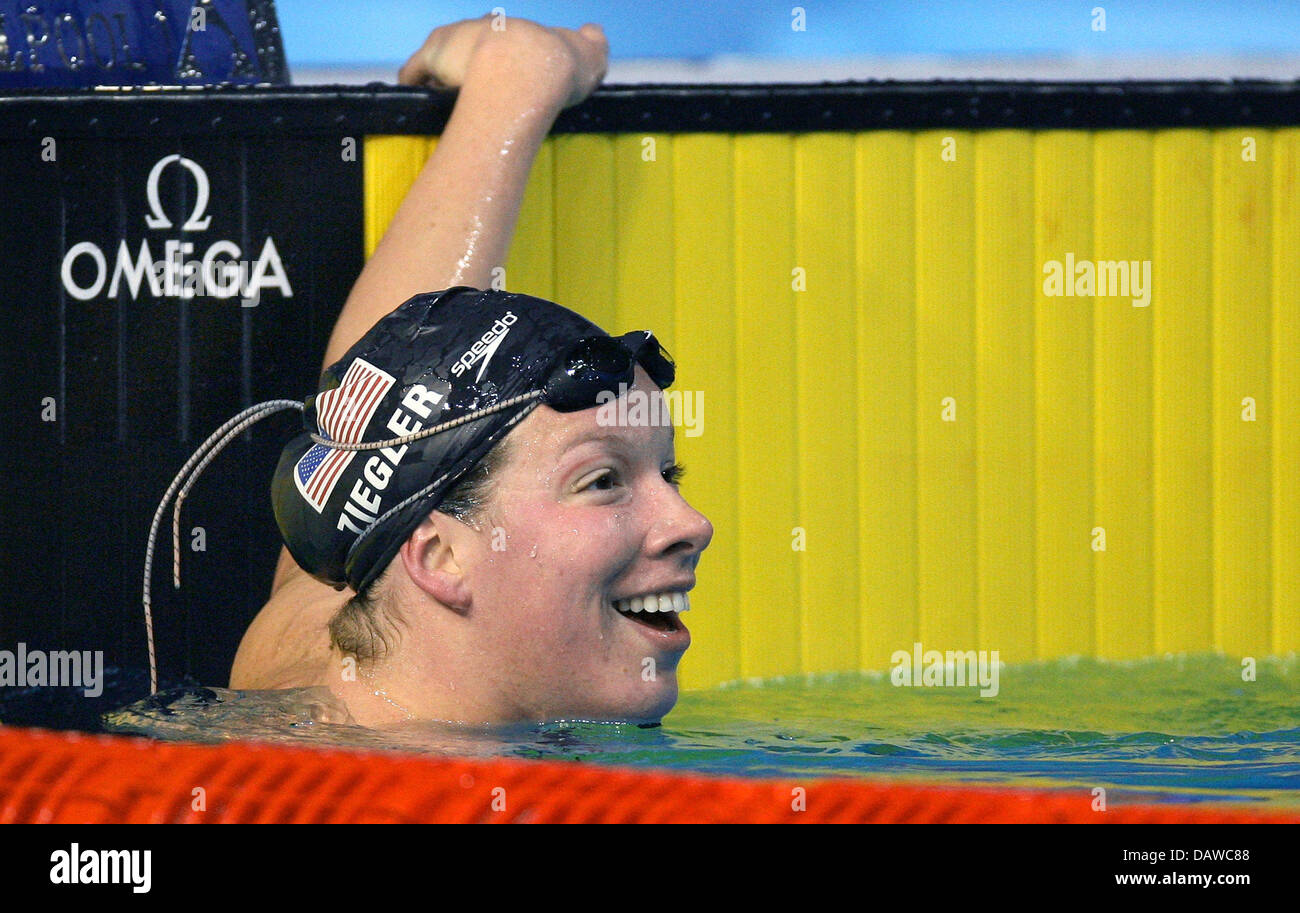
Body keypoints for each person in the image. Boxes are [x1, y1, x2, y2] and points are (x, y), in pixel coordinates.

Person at [227, 15, 713, 727]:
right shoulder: (322, 789)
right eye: (603, 480)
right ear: (441, 559)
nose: (692, 523)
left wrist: (512, 87)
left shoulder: (302, 649)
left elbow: (378, 441)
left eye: (666, 477)